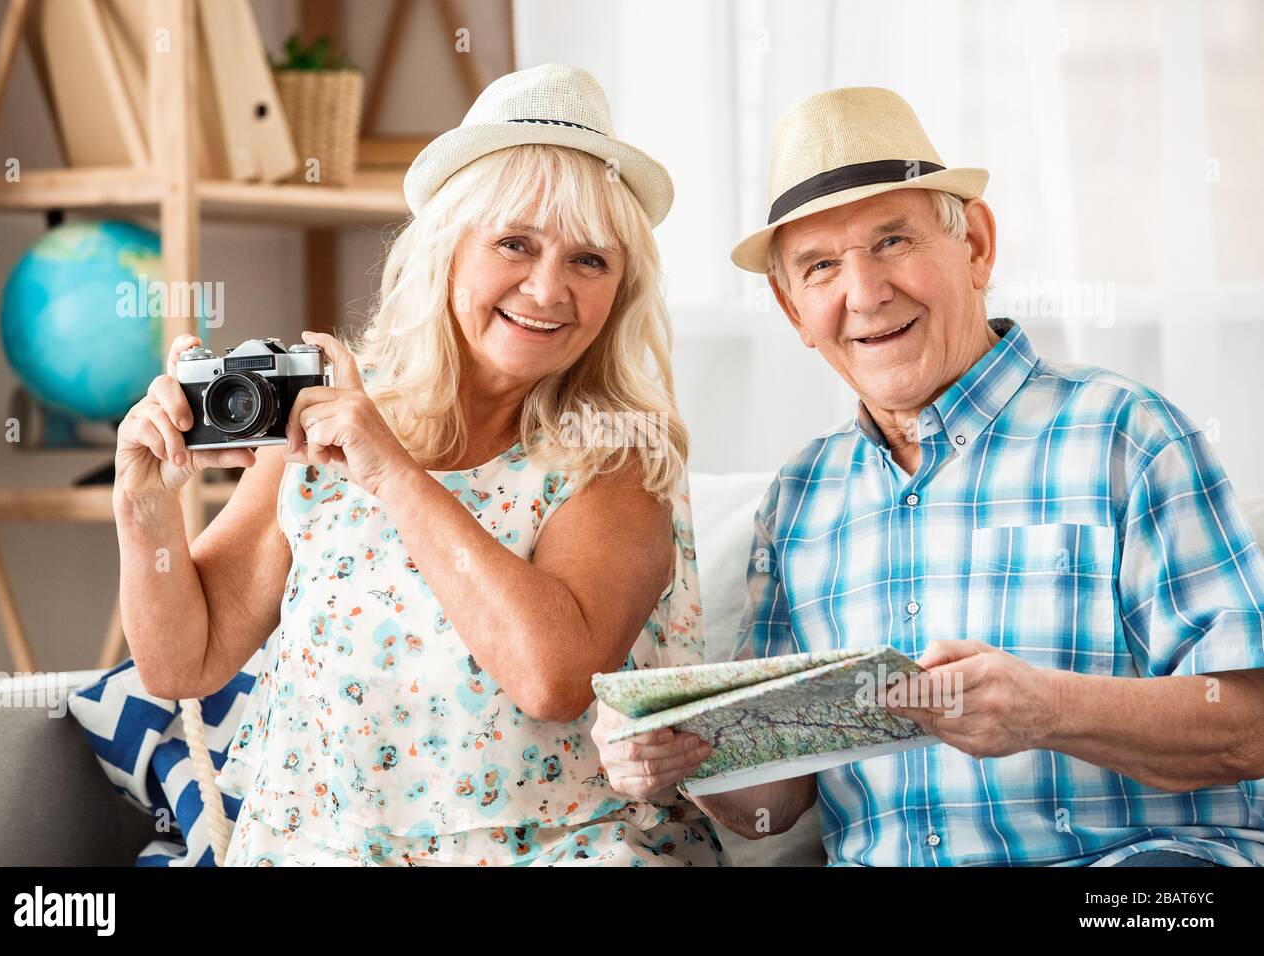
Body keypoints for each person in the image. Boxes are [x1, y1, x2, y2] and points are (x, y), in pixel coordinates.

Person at [592, 86, 1264, 866]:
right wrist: (686, 752)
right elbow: (774, 805)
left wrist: (1049, 710)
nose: (866, 293)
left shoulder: (1126, 434)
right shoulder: (802, 497)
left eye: (893, 242)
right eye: (820, 267)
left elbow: (1247, 727)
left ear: (975, 245)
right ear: (791, 309)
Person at [112, 63, 723, 867]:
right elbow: (181, 661)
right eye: (515, 243)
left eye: (590, 261)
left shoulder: (618, 454)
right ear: (447, 252)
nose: (547, 289)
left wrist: (397, 477)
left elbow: (552, 679)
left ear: (622, 288)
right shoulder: (327, 422)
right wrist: (145, 509)